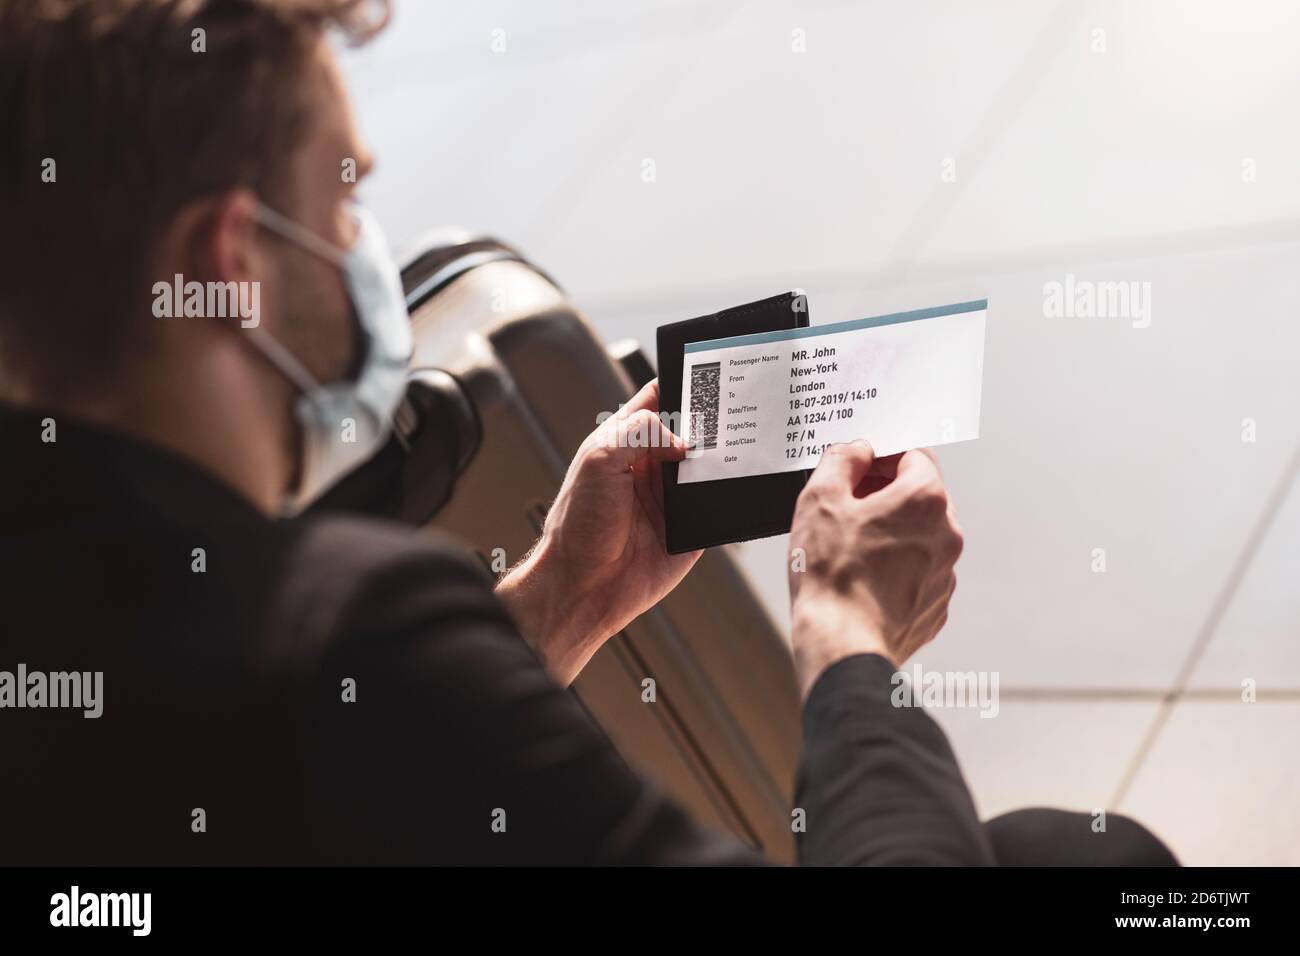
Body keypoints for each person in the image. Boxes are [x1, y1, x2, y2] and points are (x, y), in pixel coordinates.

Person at [0, 0, 1174, 866]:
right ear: (231, 264)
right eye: (344, 192)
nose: (361, 237)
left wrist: (563, 597)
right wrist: (848, 649)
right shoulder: (339, 627)